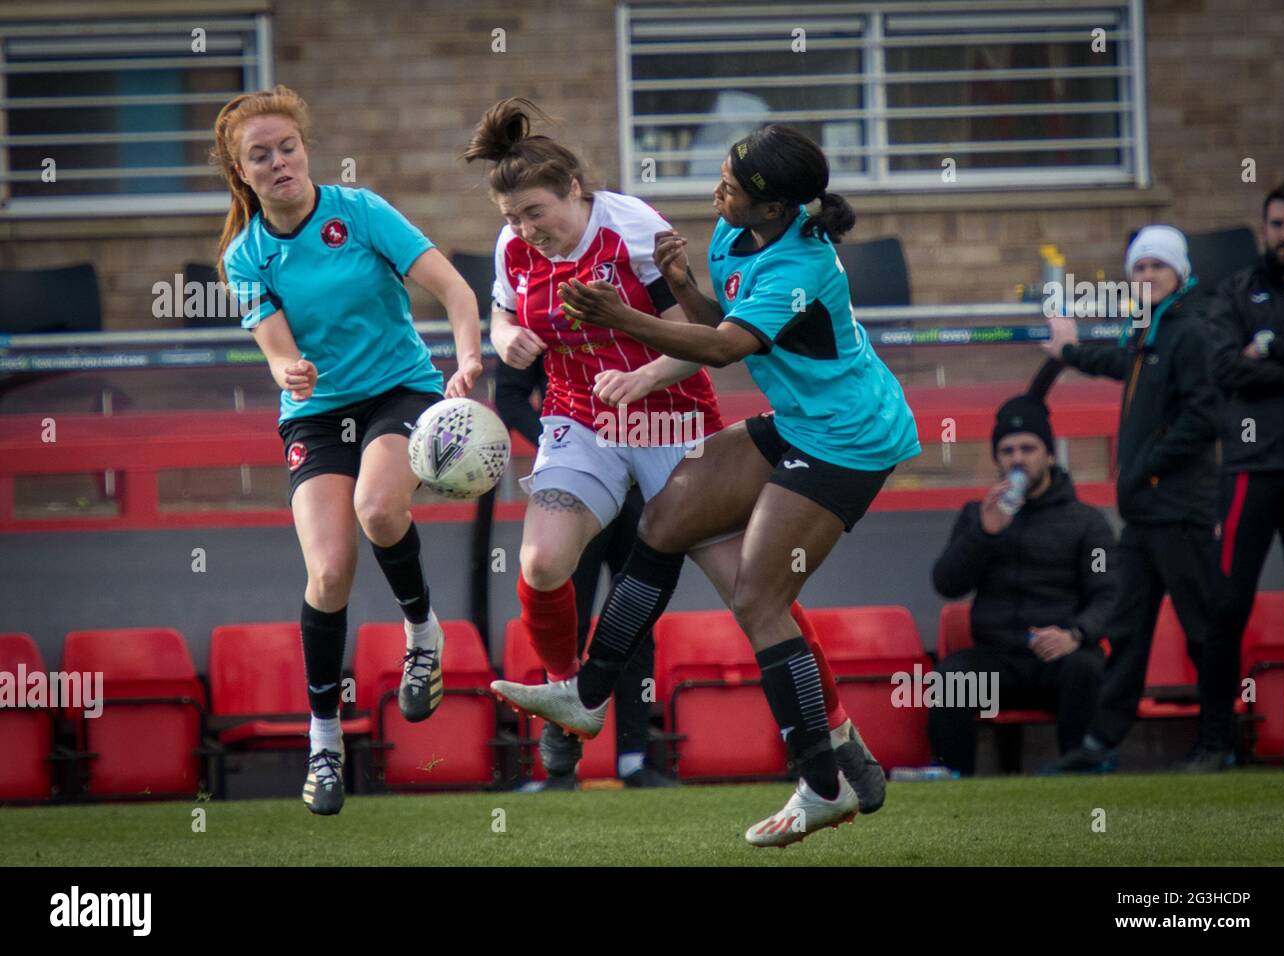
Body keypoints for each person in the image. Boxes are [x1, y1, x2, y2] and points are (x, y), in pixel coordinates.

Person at [491, 124, 920, 846]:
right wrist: (685, 283)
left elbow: (723, 349)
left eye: (732, 185)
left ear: (776, 208)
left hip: (849, 435)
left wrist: (620, 318)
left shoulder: (801, 265)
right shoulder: (729, 235)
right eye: (721, 174)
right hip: (798, 419)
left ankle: (823, 783)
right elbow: (715, 319)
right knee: (665, 521)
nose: (716, 190)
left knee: (757, 596)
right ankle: (586, 697)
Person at [214, 86, 483, 814]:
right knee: (328, 572)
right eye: (259, 156)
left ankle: (422, 633)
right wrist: (287, 369)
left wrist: (466, 361)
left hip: (401, 391)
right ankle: (324, 741)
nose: (278, 164)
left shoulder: (359, 212)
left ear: (306, 149)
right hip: (316, 413)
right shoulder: (245, 256)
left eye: (287, 148)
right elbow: (275, 353)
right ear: (242, 174)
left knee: (377, 508)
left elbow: (456, 292)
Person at [1040, 225, 1219, 773]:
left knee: (1203, 629)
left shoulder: (1191, 332)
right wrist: (1070, 352)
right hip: (1144, 514)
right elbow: (1124, 366)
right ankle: (1101, 743)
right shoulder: (1150, 331)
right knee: (1129, 628)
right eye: (1138, 269)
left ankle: (1217, 741)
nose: (1145, 277)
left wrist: (1144, 465)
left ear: (1179, 273)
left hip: (1181, 509)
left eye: (1156, 267)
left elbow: (1204, 413)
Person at [492, 355, 669, 789]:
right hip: (576, 486)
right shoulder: (537, 300)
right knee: (566, 624)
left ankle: (633, 759)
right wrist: (565, 449)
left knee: (636, 624)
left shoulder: (637, 292)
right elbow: (511, 396)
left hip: (637, 481)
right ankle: (561, 767)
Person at [929, 392, 1118, 776]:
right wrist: (984, 533)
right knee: (950, 677)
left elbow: (1110, 595)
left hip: (1058, 658)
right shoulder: (978, 515)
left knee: (1086, 668)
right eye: (1007, 450)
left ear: (1049, 455)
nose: (1017, 458)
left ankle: (1078, 775)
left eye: (1028, 448)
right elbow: (947, 583)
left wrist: (1076, 634)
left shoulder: (1086, 520)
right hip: (998, 661)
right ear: (998, 459)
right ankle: (953, 783)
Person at [1195, 182, 1284, 772]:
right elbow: (1223, 367)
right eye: (1278, 225)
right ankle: (1215, 743)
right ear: (1264, 229)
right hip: (1249, 471)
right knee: (1227, 606)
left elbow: (1249, 365)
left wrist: (1269, 353)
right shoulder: (1236, 291)